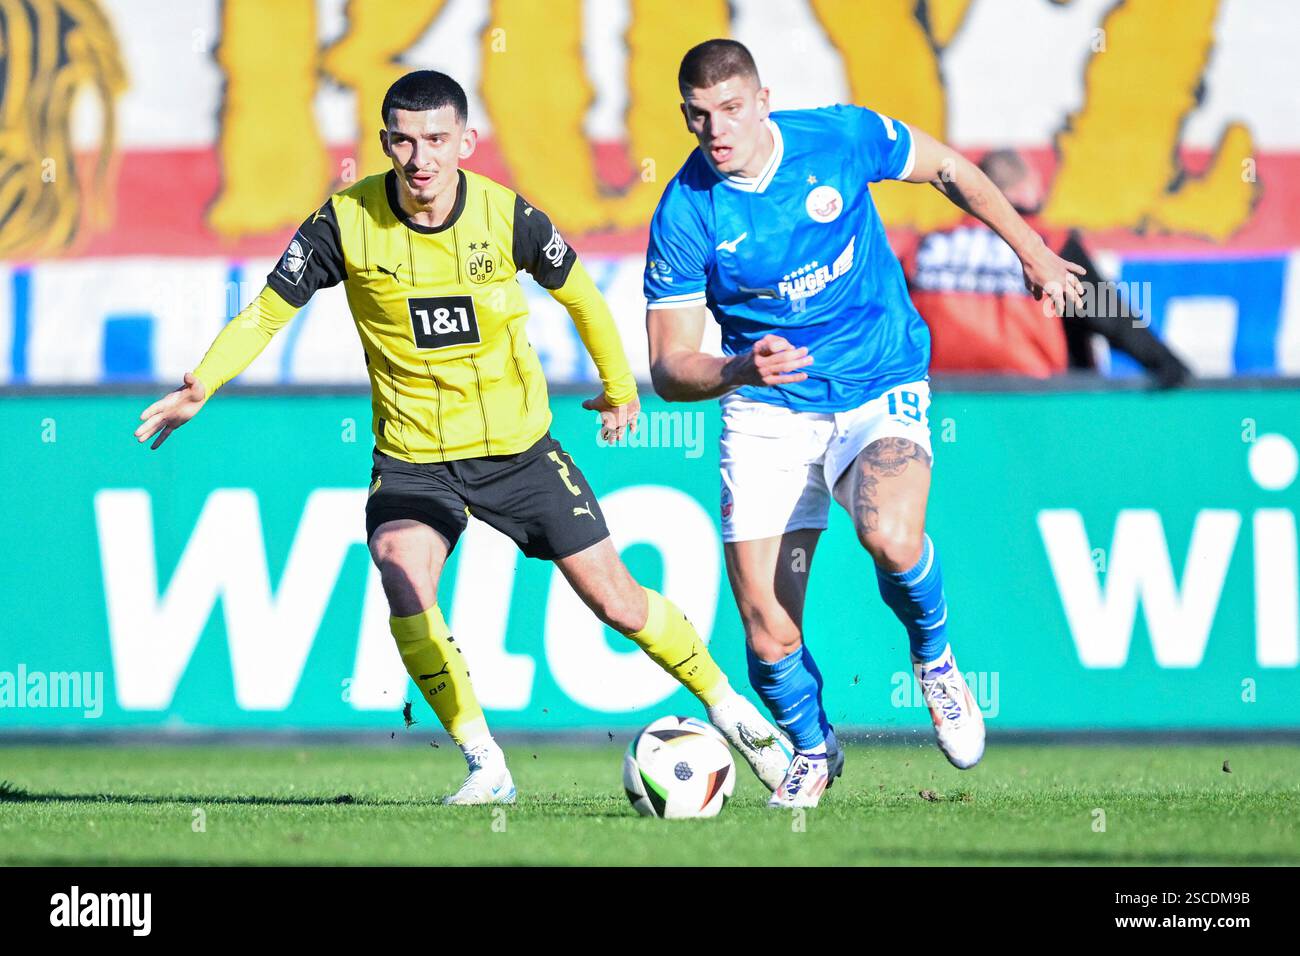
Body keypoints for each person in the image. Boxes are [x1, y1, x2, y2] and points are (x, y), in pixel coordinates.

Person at [134, 69, 792, 805]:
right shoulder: (343, 223)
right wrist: (204, 383)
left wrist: (617, 386)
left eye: (437, 140)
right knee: (400, 569)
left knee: (617, 602)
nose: (420, 159)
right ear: (385, 144)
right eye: (404, 141)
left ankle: (735, 714)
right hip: (414, 457)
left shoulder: (507, 217)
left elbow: (579, 293)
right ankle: (486, 763)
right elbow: (264, 312)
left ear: (465, 143)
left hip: (518, 449)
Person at [645, 40, 1087, 808]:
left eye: (730, 110)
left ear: (763, 100)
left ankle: (937, 662)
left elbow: (951, 167)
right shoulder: (685, 211)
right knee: (767, 632)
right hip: (766, 405)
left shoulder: (839, 138)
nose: (715, 130)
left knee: (889, 533)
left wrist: (1033, 252)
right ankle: (814, 750)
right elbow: (669, 365)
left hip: (877, 378)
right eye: (698, 115)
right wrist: (736, 369)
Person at [907, 148, 1191, 386]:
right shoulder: (1047, 243)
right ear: (1025, 187)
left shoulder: (927, 244)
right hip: (1040, 400)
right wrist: (1168, 366)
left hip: (945, 395)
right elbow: (1105, 314)